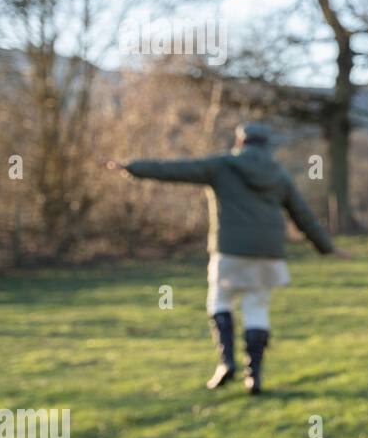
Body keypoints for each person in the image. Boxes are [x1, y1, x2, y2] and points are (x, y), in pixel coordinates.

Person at [106, 121, 348, 395]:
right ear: (266, 145)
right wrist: (327, 247)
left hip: (230, 250)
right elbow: (302, 215)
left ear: (240, 141)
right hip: (268, 252)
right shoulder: (278, 174)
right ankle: (253, 376)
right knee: (257, 307)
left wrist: (131, 167)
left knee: (220, 300)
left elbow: (175, 170)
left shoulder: (223, 166)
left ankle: (227, 362)